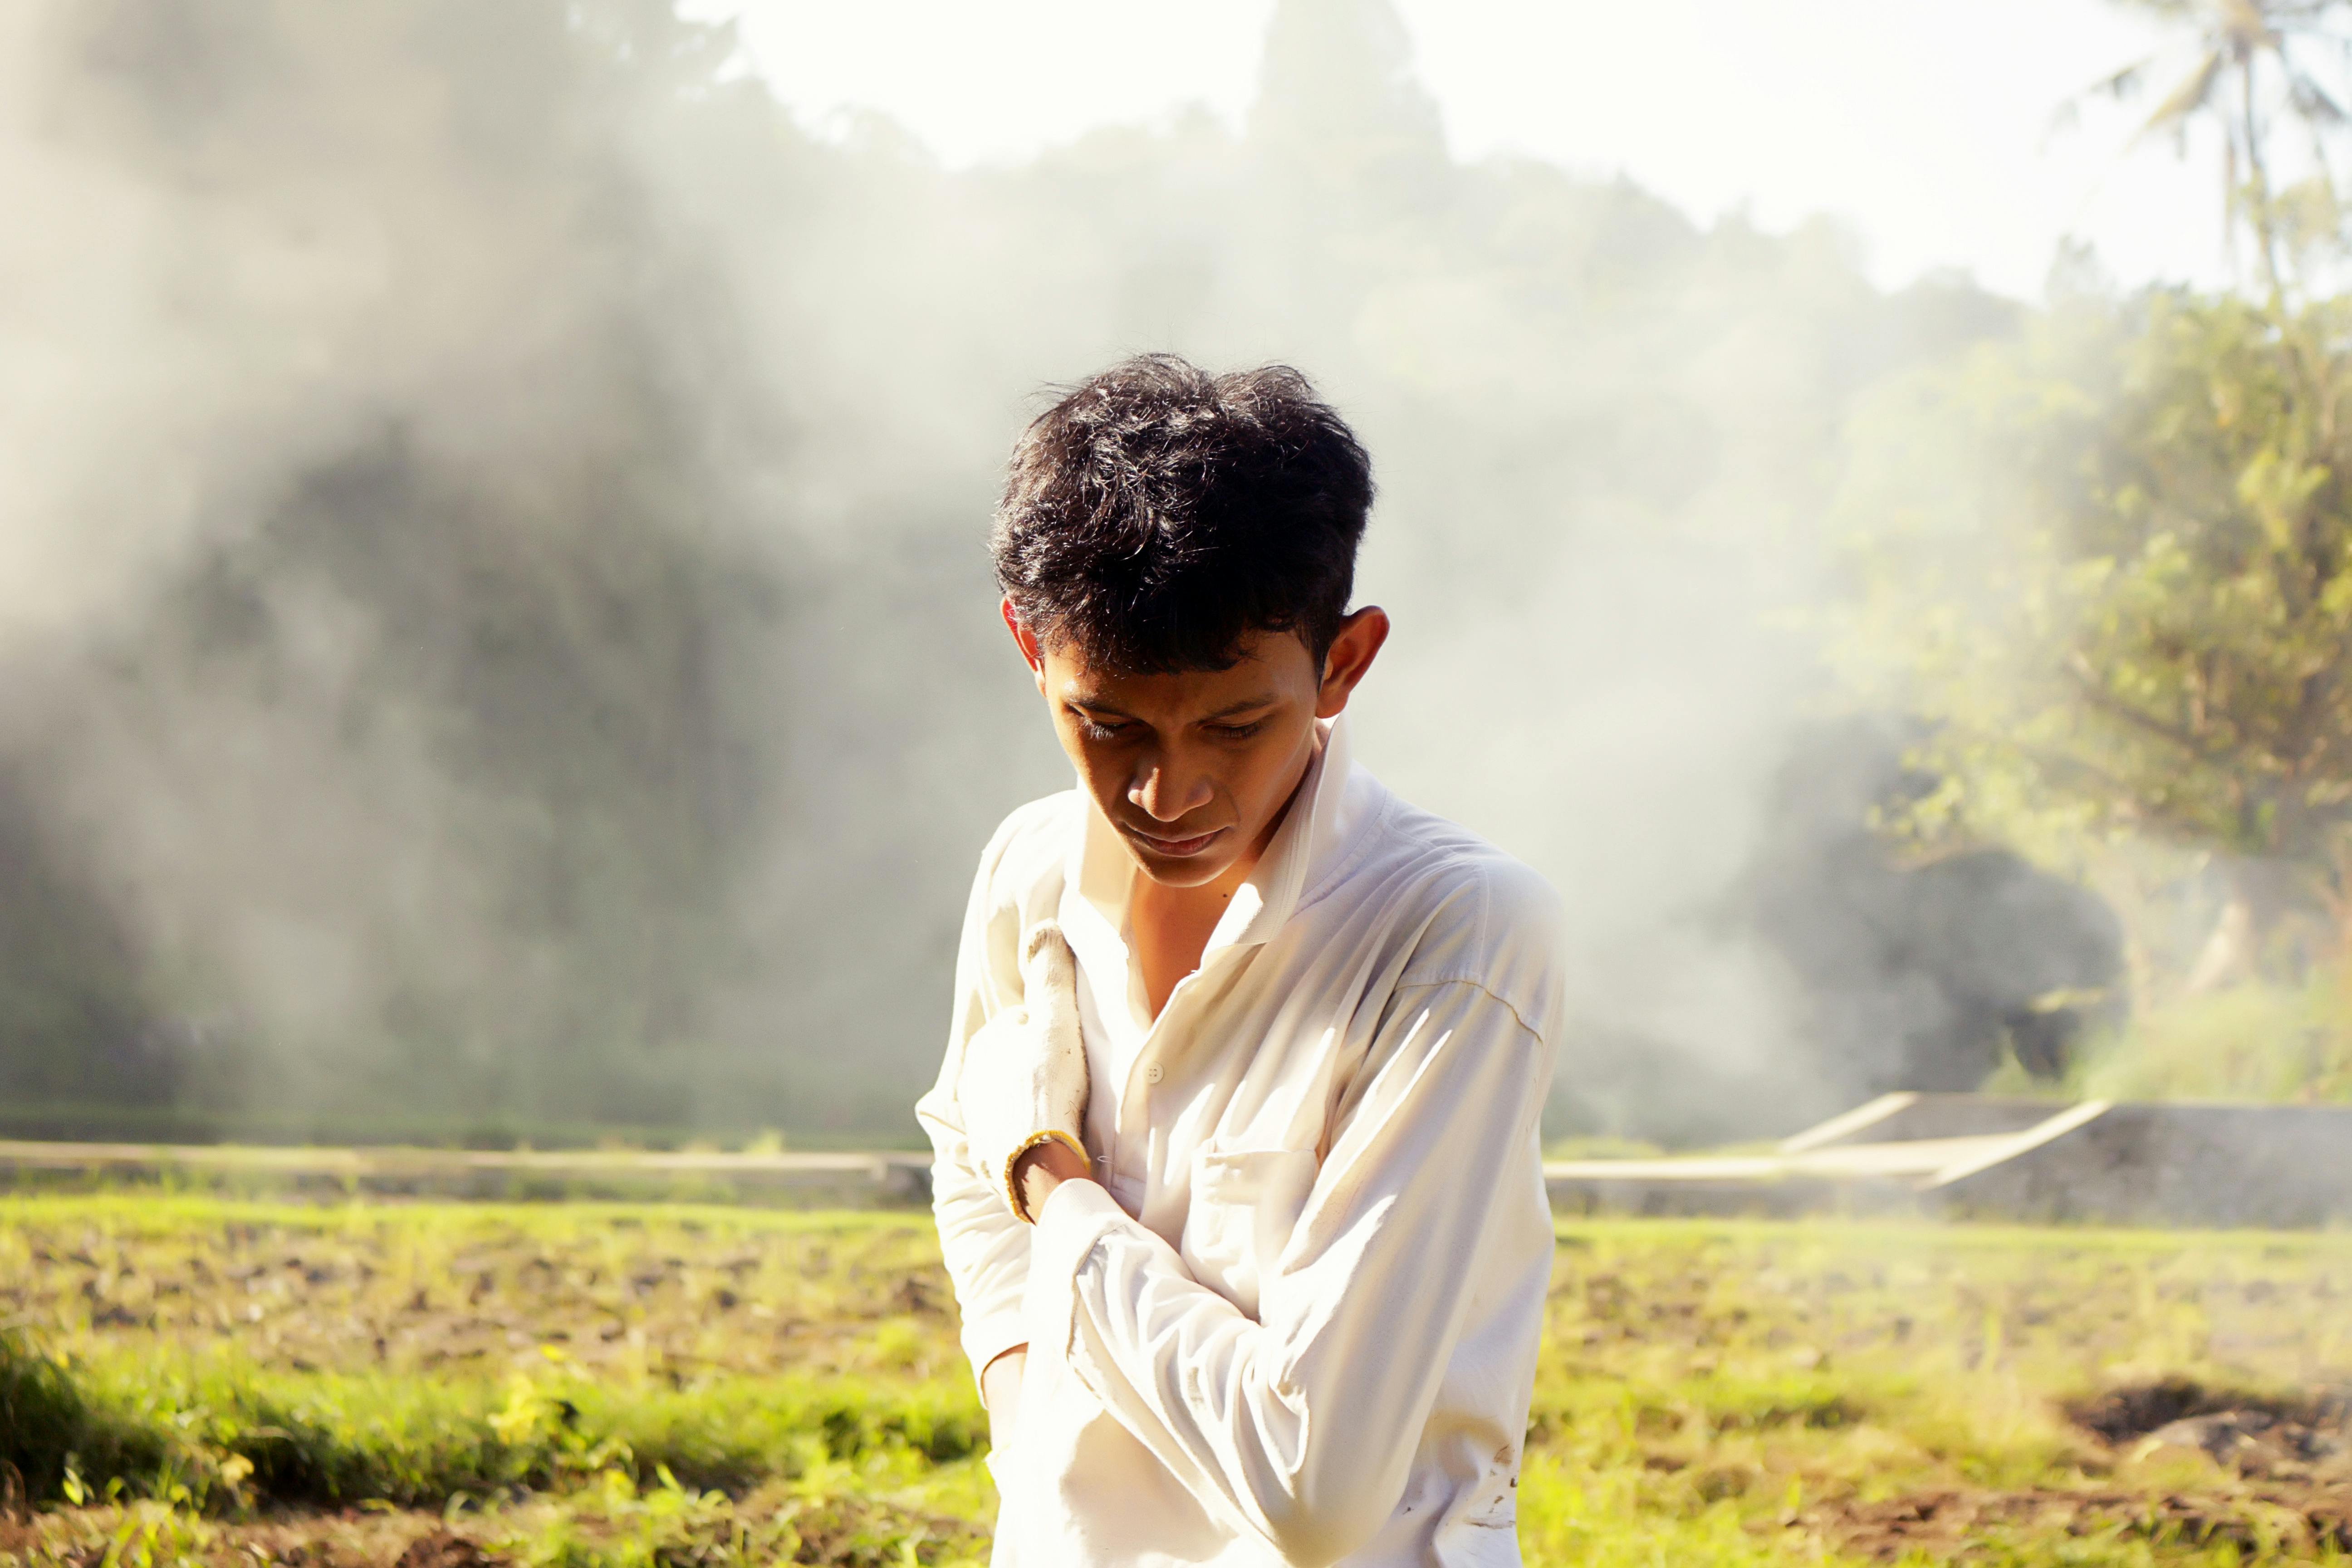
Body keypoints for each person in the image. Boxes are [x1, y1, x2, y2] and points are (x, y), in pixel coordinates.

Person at [915, 354, 1564, 1568]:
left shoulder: (1456, 938)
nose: (1166, 791)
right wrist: (1022, 1404)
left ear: (1345, 662)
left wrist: (1057, 1181)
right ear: (1026, 644)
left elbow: (1315, 1493)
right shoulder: (1030, 873)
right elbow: (970, 1150)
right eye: (1105, 726)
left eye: (1235, 724)